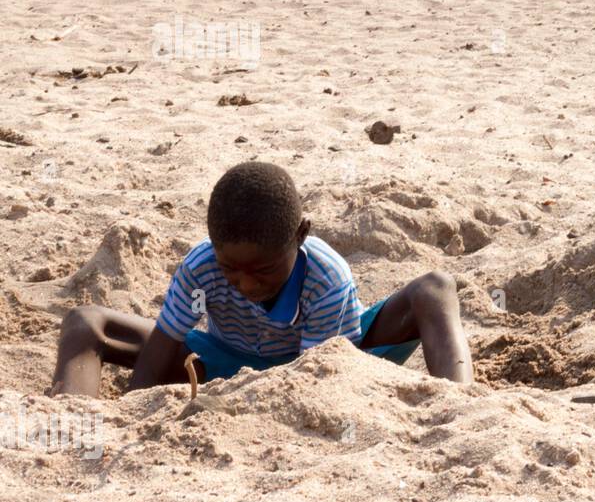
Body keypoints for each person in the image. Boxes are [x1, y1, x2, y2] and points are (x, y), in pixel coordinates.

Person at [50, 161, 472, 397]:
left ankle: (459, 403)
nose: (246, 286)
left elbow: (322, 377)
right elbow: (163, 344)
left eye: (263, 271)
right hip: (228, 360)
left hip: (339, 358)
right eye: (231, 269)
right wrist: (134, 410)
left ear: (300, 236)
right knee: (87, 323)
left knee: (434, 289)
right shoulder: (200, 267)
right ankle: (76, 415)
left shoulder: (326, 276)